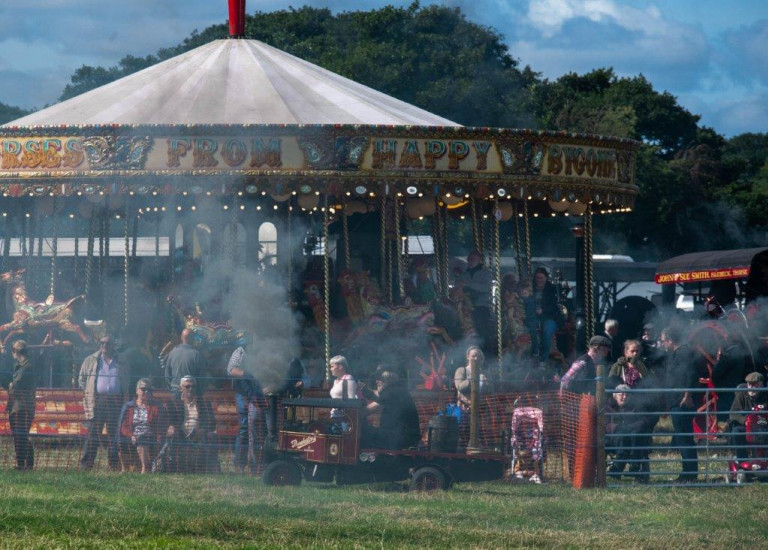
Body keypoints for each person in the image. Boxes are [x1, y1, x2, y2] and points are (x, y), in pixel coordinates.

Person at [79, 334, 132, 471]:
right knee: (93, 434)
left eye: (107, 343)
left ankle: (113, 465)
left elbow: (127, 380)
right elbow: (82, 380)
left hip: (116, 401)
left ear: (113, 345)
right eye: (102, 343)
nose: (104, 346)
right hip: (98, 401)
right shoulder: (91, 360)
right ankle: (86, 465)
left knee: (114, 434)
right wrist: (89, 391)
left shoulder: (122, 360)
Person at [661, 325, 700, 483]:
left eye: (663, 341)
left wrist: (687, 394)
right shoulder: (676, 354)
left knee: (685, 439)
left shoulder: (683, 353)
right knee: (683, 438)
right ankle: (688, 472)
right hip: (676, 400)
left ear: (670, 340)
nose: (663, 344)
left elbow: (691, 374)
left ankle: (689, 474)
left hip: (682, 401)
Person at [605, 384, 658, 483]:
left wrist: (626, 429)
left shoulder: (636, 407)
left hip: (634, 439)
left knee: (637, 432)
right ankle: (624, 465)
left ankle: (625, 465)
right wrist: (623, 429)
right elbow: (608, 425)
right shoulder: (609, 407)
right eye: (621, 394)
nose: (624, 397)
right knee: (621, 435)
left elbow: (643, 423)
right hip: (614, 440)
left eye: (627, 395)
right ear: (615, 395)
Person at [167, 375, 219, 473]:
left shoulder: (203, 402)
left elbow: (211, 422)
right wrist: (171, 426)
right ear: (181, 388)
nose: (191, 389)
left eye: (193, 386)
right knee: (172, 435)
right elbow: (169, 419)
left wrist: (202, 430)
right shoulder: (173, 402)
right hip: (181, 434)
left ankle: (211, 469)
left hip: (199, 435)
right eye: (187, 386)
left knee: (211, 435)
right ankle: (174, 468)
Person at [116, 378, 169, 473]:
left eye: (149, 390)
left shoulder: (156, 406)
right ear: (137, 391)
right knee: (121, 441)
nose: (147, 392)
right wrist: (131, 435)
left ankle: (145, 469)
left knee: (142, 439)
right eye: (144, 389)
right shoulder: (129, 406)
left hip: (149, 435)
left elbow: (161, 426)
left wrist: (159, 439)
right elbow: (124, 426)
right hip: (132, 434)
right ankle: (124, 469)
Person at [226, 344, 262, 473]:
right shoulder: (241, 350)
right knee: (244, 428)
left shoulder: (266, 349)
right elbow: (230, 370)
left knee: (257, 429)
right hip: (243, 393)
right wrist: (247, 374)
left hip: (259, 394)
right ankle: (239, 465)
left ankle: (256, 465)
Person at [364, 370, 421, 449]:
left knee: (364, 433)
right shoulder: (397, 390)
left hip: (400, 437)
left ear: (387, 380)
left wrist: (354, 415)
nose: (376, 382)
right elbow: (376, 394)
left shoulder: (391, 392)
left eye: (379, 379)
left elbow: (369, 410)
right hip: (405, 436)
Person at [5, 340, 37, 470]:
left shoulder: (26, 367)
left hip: (22, 407)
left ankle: (22, 464)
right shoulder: (21, 366)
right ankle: (25, 464)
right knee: (20, 436)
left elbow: (15, 387)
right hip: (18, 407)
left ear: (16, 352)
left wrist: (11, 385)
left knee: (21, 436)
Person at [728, 371, 768, 462]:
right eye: (749, 384)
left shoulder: (766, 395)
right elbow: (733, 413)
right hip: (747, 426)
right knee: (736, 432)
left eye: (754, 384)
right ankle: (742, 461)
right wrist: (745, 420)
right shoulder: (741, 395)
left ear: (761, 384)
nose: (751, 387)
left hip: (764, 425)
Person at [458, 250, 493, 350]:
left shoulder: (486, 274)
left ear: (479, 260)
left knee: (481, 327)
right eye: (469, 259)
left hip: (481, 305)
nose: (470, 261)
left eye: (473, 259)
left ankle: (485, 351)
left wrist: (468, 286)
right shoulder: (464, 275)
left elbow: (486, 288)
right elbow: (458, 287)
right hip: (465, 305)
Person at [524, 267, 560, 364]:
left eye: (541, 278)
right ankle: (534, 352)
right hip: (534, 316)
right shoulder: (531, 289)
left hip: (549, 317)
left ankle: (544, 358)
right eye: (537, 278)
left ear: (546, 278)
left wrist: (543, 310)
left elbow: (554, 305)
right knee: (531, 329)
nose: (539, 280)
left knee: (547, 332)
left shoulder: (552, 289)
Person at [165, 328, 207, 398]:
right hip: (192, 394)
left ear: (181, 338)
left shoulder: (172, 353)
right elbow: (202, 377)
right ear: (193, 339)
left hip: (176, 393)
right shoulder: (197, 355)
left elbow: (167, 375)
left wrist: (172, 389)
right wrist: (199, 393)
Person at [454, 346, 490, 411]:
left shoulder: (484, 373)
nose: (475, 358)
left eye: (478, 356)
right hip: (465, 408)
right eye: (473, 356)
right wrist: (472, 377)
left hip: (481, 409)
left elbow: (490, 391)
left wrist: (486, 383)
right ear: (468, 357)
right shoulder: (461, 370)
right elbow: (459, 387)